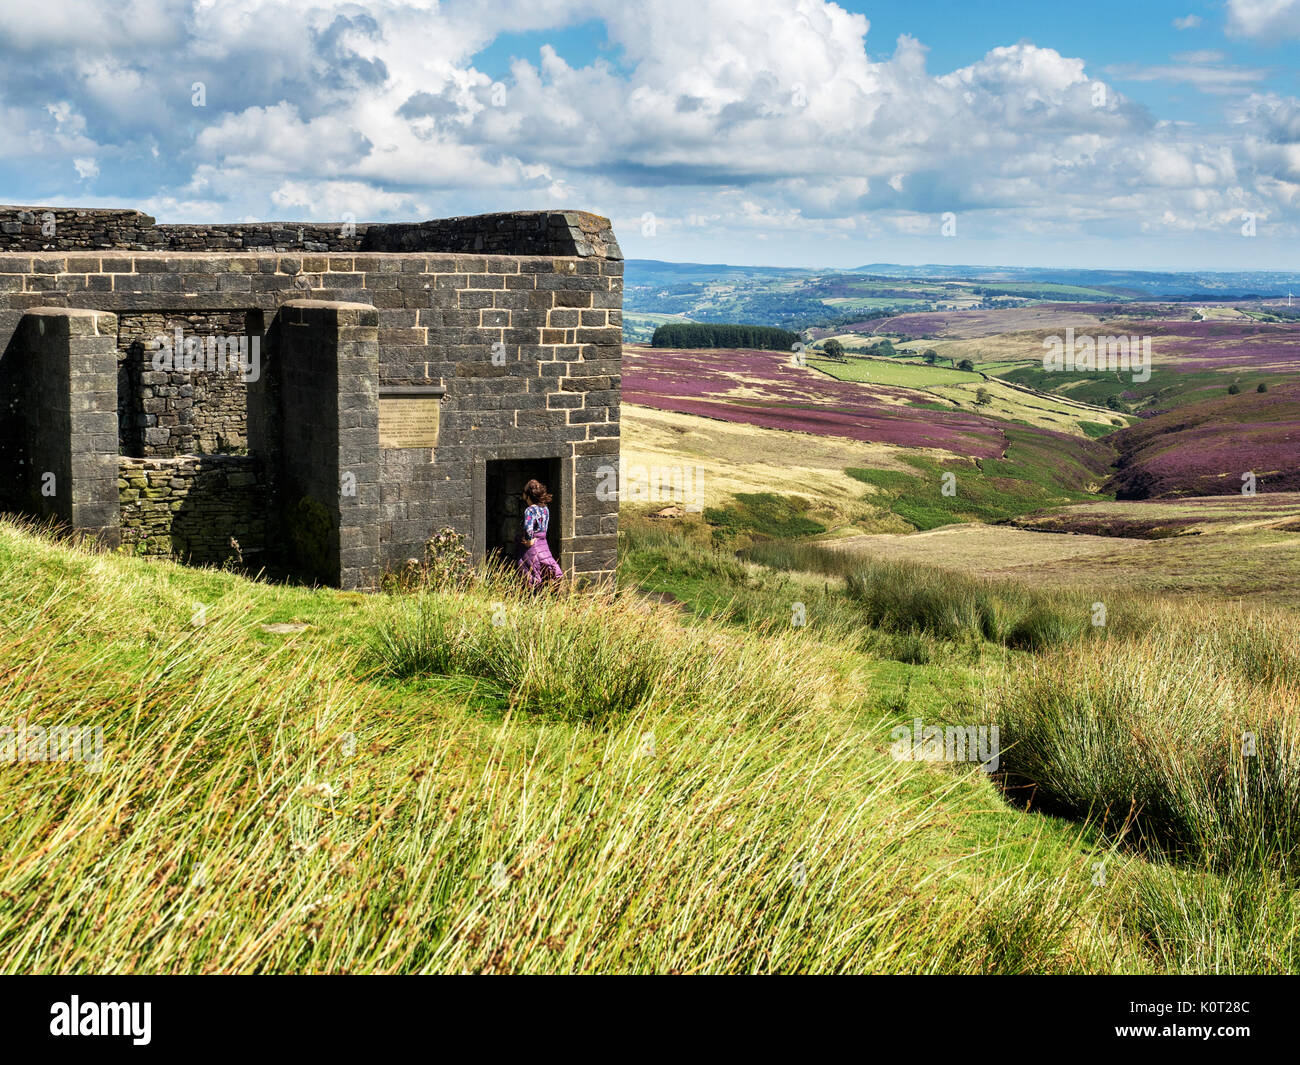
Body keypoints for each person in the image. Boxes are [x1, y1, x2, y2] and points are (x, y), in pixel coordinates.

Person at [516, 479, 563, 589]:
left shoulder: (530, 510)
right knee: (546, 570)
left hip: (533, 546)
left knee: (531, 575)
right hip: (543, 543)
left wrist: (529, 540)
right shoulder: (545, 509)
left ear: (527, 495)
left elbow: (528, 528)